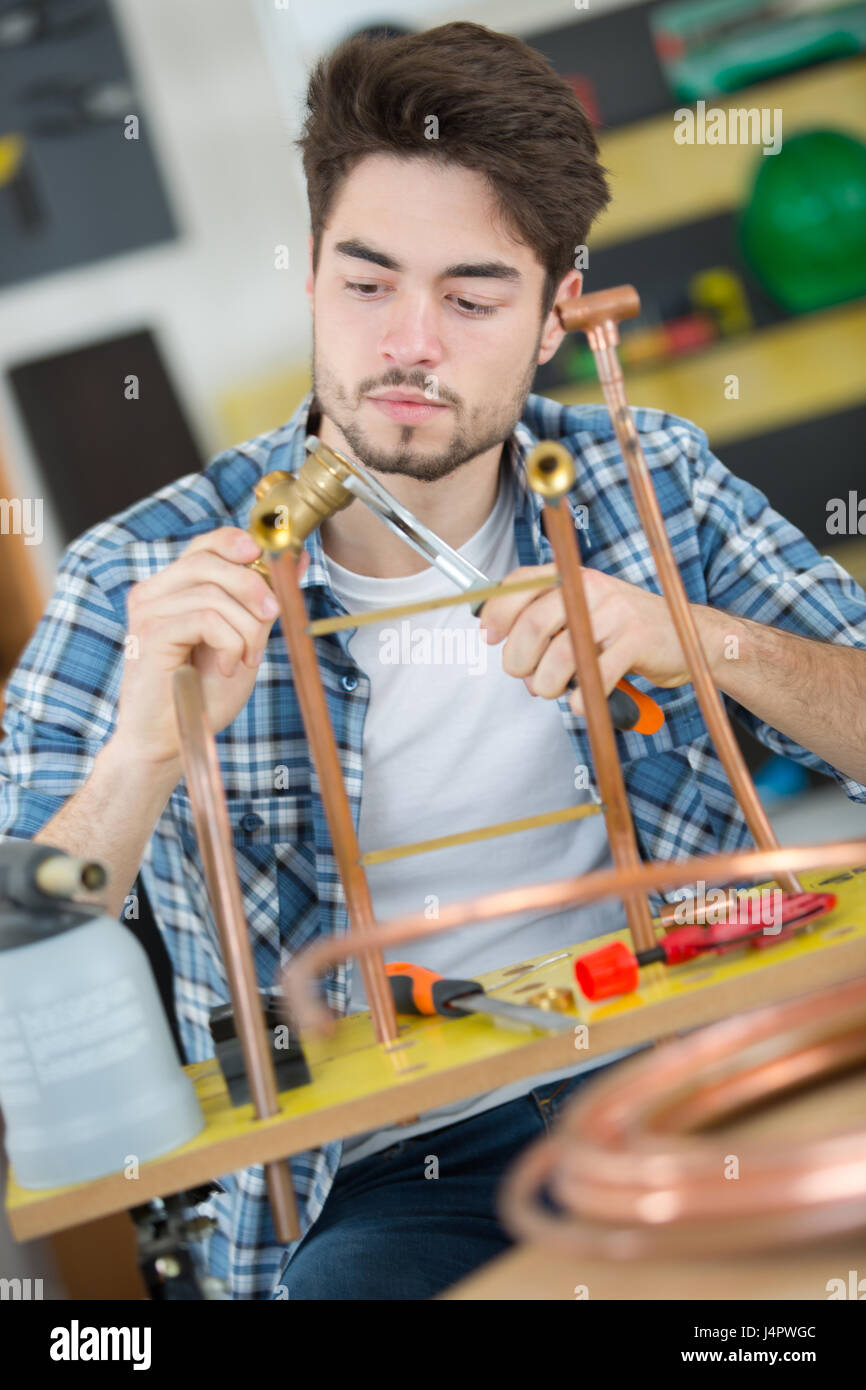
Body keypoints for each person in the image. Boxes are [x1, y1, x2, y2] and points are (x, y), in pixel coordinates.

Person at [2, 22, 865, 1301]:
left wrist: (706, 642)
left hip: (688, 1064)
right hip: (394, 1165)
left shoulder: (655, 479)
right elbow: (23, 928)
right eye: (365, 284)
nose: (408, 344)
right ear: (308, 279)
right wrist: (140, 748)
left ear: (556, 312)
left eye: (469, 298)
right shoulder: (140, 572)